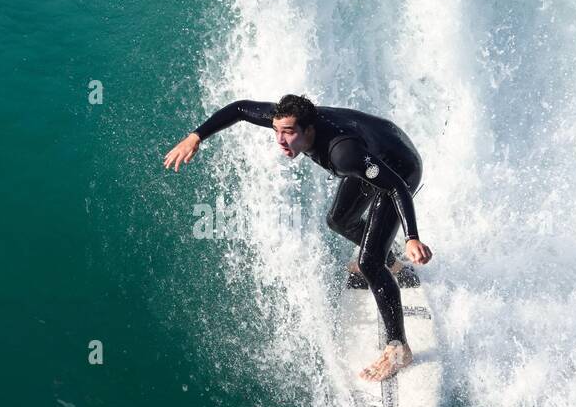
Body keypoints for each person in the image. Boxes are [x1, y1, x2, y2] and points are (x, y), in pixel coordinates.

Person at [163, 94, 432, 381]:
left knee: (368, 264)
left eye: (289, 133)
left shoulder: (344, 154)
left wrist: (411, 237)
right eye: (277, 130)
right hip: (373, 147)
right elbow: (239, 109)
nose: (280, 139)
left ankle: (399, 348)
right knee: (339, 220)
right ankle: (390, 263)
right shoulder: (285, 119)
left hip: (399, 167)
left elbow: (395, 188)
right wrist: (196, 136)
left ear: (309, 130)